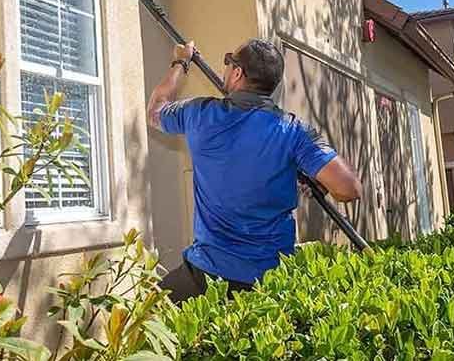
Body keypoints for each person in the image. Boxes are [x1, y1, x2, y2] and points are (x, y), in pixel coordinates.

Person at [147, 38, 363, 303]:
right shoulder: (293, 130)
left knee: (148, 314)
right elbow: (349, 189)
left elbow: (156, 111)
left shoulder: (199, 114)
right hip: (269, 283)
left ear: (238, 73)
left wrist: (181, 61)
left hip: (207, 275)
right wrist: (318, 180)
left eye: (228, 62)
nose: (225, 68)